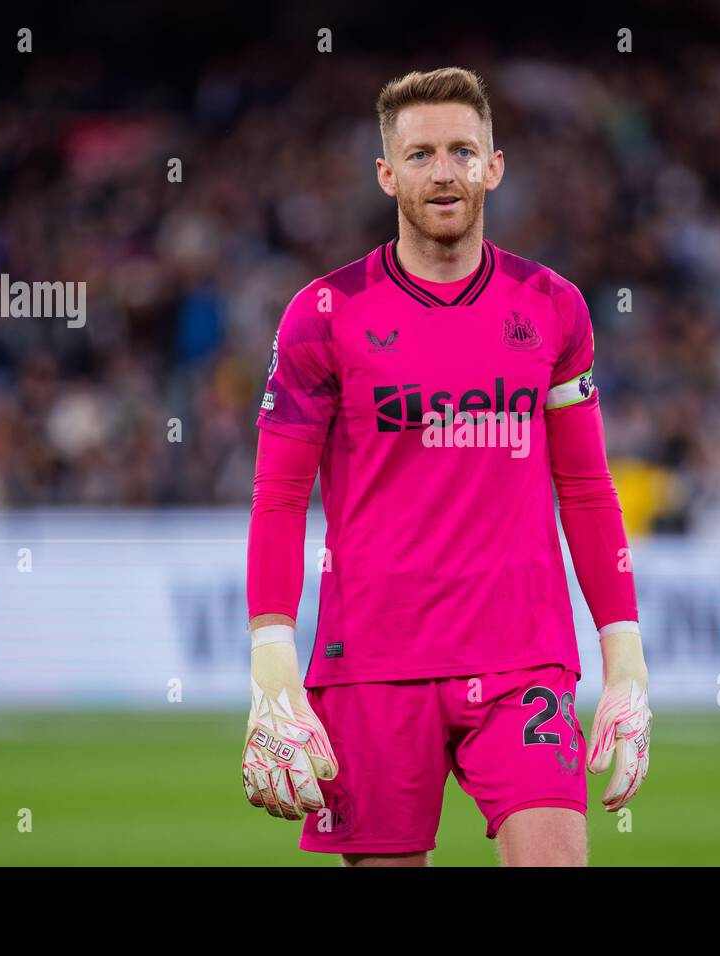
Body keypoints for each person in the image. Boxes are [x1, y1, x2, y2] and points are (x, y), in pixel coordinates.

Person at [241, 66, 651, 867]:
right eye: (421, 154)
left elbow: (587, 489)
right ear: (387, 174)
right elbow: (280, 496)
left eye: (463, 151)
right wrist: (271, 660)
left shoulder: (553, 306)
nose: (444, 171)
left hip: (522, 657)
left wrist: (625, 657)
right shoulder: (323, 315)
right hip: (372, 666)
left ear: (493, 167)